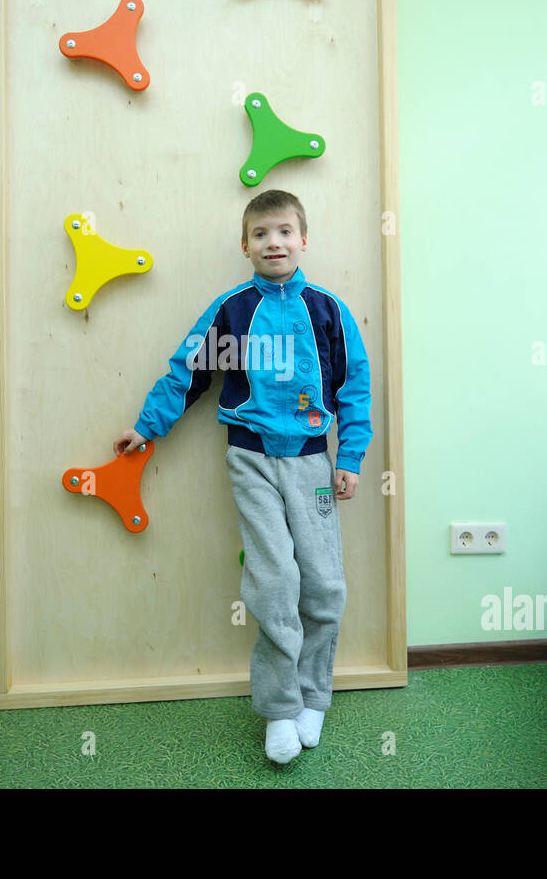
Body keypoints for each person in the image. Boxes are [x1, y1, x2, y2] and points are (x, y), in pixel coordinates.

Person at [112, 188, 372, 764]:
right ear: (245, 245)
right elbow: (187, 371)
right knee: (275, 581)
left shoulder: (328, 309)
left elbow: (355, 387)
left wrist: (349, 458)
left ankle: (313, 698)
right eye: (261, 234)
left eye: (284, 232)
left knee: (325, 585)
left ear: (303, 240)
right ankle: (279, 708)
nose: (273, 242)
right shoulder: (231, 309)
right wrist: (147, 428)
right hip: (250, 458)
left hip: (313, 462)